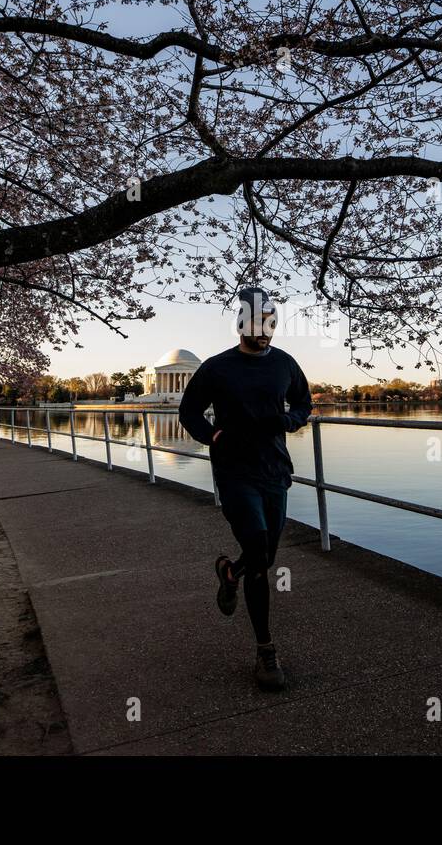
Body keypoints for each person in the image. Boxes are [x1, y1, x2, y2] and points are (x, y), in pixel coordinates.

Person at [179, 286, 312, 690]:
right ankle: (266, 651)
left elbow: (303, 405)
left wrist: (289, 422)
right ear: (241, 324)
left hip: (274, 469)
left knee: (266, 555)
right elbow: (188, 412)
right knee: (257, 546)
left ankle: (230, 572)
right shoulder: (218, 368)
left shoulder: (285, 365)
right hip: (235, 473)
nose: (264, 333)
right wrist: (212, 438)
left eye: (270, 325)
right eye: (256, 325)